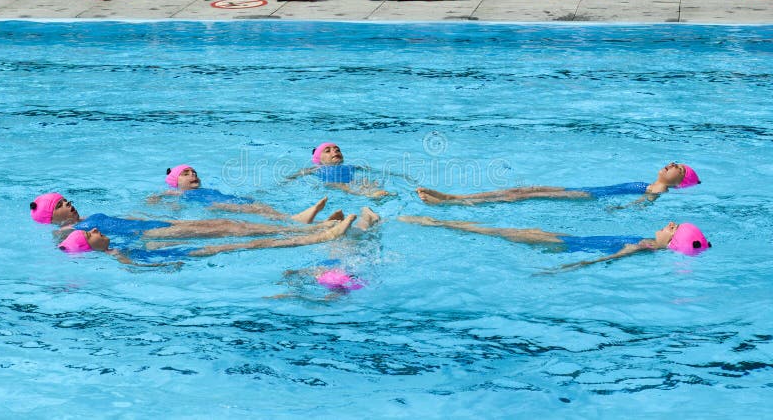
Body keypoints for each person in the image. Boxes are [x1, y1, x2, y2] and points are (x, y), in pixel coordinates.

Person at [398, 216, 711, 271]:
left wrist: (567, 267)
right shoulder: (648, 245)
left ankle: (433, 223)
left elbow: (611, 257)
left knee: (489, 232)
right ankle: (438, 223)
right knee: (493, 230)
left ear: (674, 237)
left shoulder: (646, 245)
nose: (671, 223)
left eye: (676, 227)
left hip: (565, 246)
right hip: (566, 241)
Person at [55, 214, 357, 265]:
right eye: (88, 234)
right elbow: (141, 265)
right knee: (248, 243)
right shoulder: (115, 254)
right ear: (86, 246)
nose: (94, 230)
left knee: (246, 241)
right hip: (188, 254)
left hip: (182, 251)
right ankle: (322, 235)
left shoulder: (115, 249)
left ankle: (317, 233)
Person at [30, 192, 345, 241]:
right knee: (227, 230)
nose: (69, 205)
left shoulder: (87, 218)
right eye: (60, 205)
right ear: (51, 216)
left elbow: (121, 219)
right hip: (150, 237)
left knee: (227, 223)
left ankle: (297, 223)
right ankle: (304, 233)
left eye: (68, 201)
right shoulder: (66, 234)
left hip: (151, 225)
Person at [416, 162, 700, 206]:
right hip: (588, 191)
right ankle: (453, 197)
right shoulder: (652, 183)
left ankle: (454, 201)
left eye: (679, 168)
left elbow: (644, 204)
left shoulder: (659, 189)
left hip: (587, 197)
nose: (673, 164)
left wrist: (621, 210)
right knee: (522, 191)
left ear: (680, 181)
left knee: (522, 196)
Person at [151, 164, 332, 224]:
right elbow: (158, 200)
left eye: (194, 172)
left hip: (231, 200)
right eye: (186, 174)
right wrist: (159, 199)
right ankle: (293, 220)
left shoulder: (204, 189)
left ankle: (295, 219)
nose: (193, 175)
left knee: (259, 206)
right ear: (175, 182)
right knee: (255, 211)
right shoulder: (176, 192)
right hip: (218, 206)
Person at [288, 142, 394, 198]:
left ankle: (376, 193)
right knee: (338, 185)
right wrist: (286, 182)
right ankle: (368, 194)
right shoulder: (317, 168)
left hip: (351, 182)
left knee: (365, 181)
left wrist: (395, 174)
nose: (334, 152)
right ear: (319, 159)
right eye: (328, 151)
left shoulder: (351, 167)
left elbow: (376, 171)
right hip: (331, 184)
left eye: (337, 150)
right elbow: (296, 175)